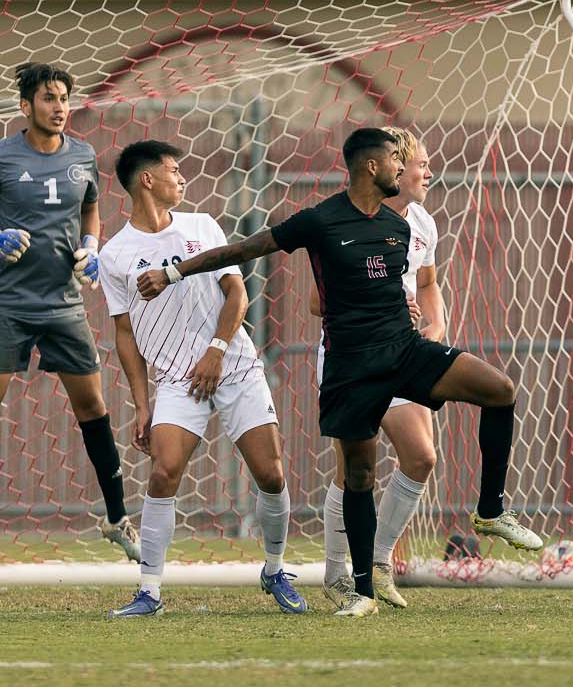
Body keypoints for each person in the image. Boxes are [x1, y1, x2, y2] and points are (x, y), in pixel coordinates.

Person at [138, 128, 542, 618]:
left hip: (407, 352)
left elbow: (406, 282)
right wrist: (174, 272)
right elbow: (240, 251)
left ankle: (492, 509)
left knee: (499, 390)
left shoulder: (403, 227)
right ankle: (362, 591)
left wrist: (413, 312)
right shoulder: (321, 221)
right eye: (397, 160)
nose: (403, 167)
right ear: (371, 166)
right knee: (359, 475)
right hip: (351, 369)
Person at [0, 62, 136, 573]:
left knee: (94, 407)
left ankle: (117, 518)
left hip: (64, 304)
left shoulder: (83, 156)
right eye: (48, 98)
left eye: (63, 97)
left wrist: (91, 245)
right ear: (26, 106)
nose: (59, 107)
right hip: (8, 304)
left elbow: (90, 208)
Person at [98, 140, 306, 618]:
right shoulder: (115, 255)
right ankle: (149, 592)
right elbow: (124, 334)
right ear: (147, 179)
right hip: (175, 379)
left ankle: (274, 569)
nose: (182, 177)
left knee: (271, 474)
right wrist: (142, 403)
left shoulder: (201, 226)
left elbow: (238, 293)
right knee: (164, 471)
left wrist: (215, 351)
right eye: (174, 170)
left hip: (233, 366)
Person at [317, 127, 446, 610]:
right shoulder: (347, 222)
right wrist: (390, 303)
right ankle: (338, 574)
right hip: (354, 355)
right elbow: (317, 301)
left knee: (421, 458)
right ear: (390, 167)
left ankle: (378, 562)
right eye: (418, 163)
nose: (426, 171)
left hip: (404, 351)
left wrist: (435, 325)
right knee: (356, 470)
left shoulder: (422, 224)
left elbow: (428, 283)